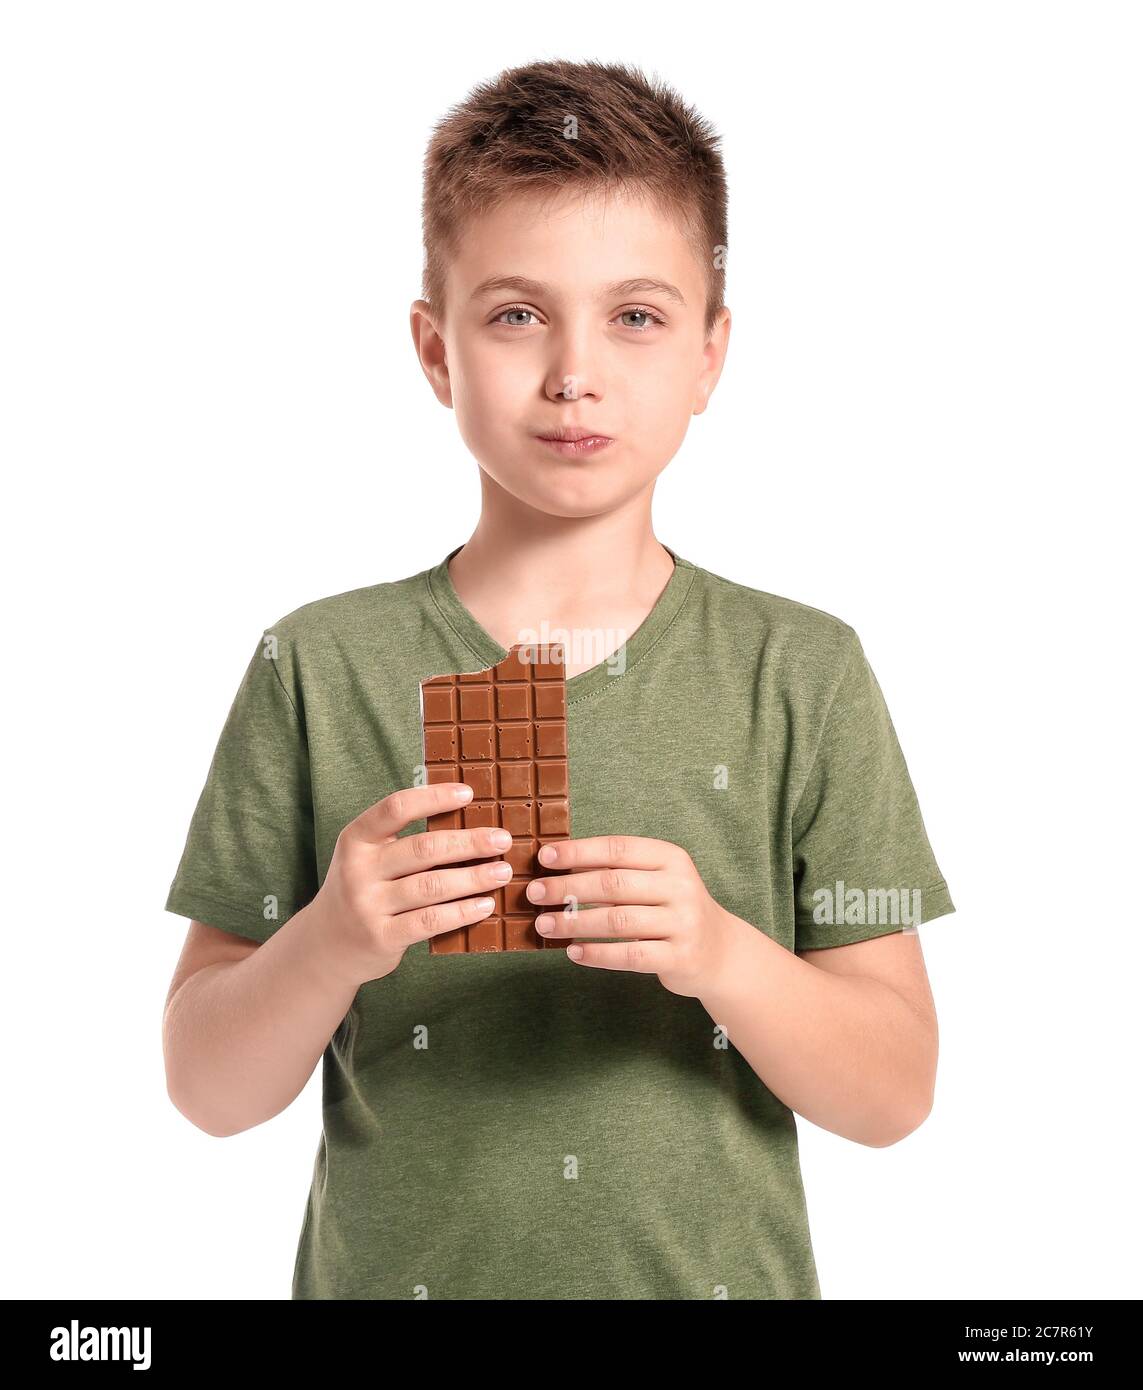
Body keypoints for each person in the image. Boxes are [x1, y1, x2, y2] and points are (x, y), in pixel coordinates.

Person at [162, 58, 955, 1300]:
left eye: (635, 315)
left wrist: (719, 953)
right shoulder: (318, 663)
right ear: (435, 349)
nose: (574, 370)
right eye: (517, 313)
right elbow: (206, 1089)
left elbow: (896, 1089)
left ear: (710, 353)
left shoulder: (802, 670)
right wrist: (328, 941)